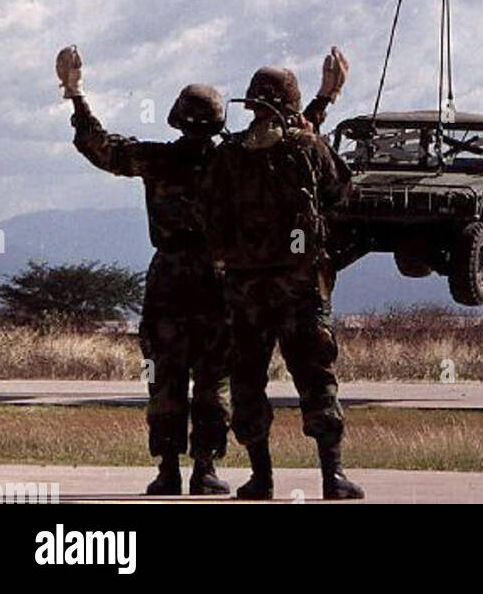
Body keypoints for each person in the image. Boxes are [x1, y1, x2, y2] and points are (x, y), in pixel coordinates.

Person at [56, 46, 231, 497]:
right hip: (217, 282)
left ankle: (169, 469)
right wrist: (318, 104)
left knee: (165, 376)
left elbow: (101, 147)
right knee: (212, 378)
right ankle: (205, 468)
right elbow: (287, 154)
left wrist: (75, 95)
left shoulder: (157, 160)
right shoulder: (232, 165)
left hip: (170, 279)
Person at [200, 50, 363, 501]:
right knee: (315, 376)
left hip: (244, 289)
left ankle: (261, 478)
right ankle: (332, 477)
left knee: (248, 377)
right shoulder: (308, 148)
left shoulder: (229, 155)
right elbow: (339, 192)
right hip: (301, 287)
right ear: (290, 105)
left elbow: (209, 210)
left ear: (251, 105)